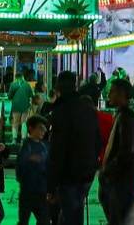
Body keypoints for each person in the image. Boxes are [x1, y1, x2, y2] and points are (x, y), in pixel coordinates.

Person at [46, 71, 101, 225]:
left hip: (68, 174)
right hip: (86, 172)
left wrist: (51, 185)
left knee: (69, 214)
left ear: (58, 88)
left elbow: (57, 150)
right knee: (76, 213)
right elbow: (97, 141)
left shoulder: (60, 111)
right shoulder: (87, 109)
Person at [100, 78, 134, 225]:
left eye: (112, 91)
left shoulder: (127, 117)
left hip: (123, 182)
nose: (109, 95)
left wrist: (108, 171)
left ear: (121, 94)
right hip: (123, 181)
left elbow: (126, 152)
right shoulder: (124, 115)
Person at [16, 115, 51, 225]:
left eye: (44, 128)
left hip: (41, 191)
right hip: (28, 191)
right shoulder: (26, 146)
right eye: (40, 128)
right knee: (24, 220)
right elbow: (19, 168)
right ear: (31, 128)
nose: (43, 131)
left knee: (44, 220)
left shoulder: (45, 146)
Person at [8, 74, 34, 144]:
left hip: (16, 106)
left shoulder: (13, 84)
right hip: (25, 105)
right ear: (23, 77)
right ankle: (23, 139)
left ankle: (14, 139)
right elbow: (31, 95)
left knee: (15, 122)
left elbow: (9, 96)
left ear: (16, 78)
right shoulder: (27, 84)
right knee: (24, 122)